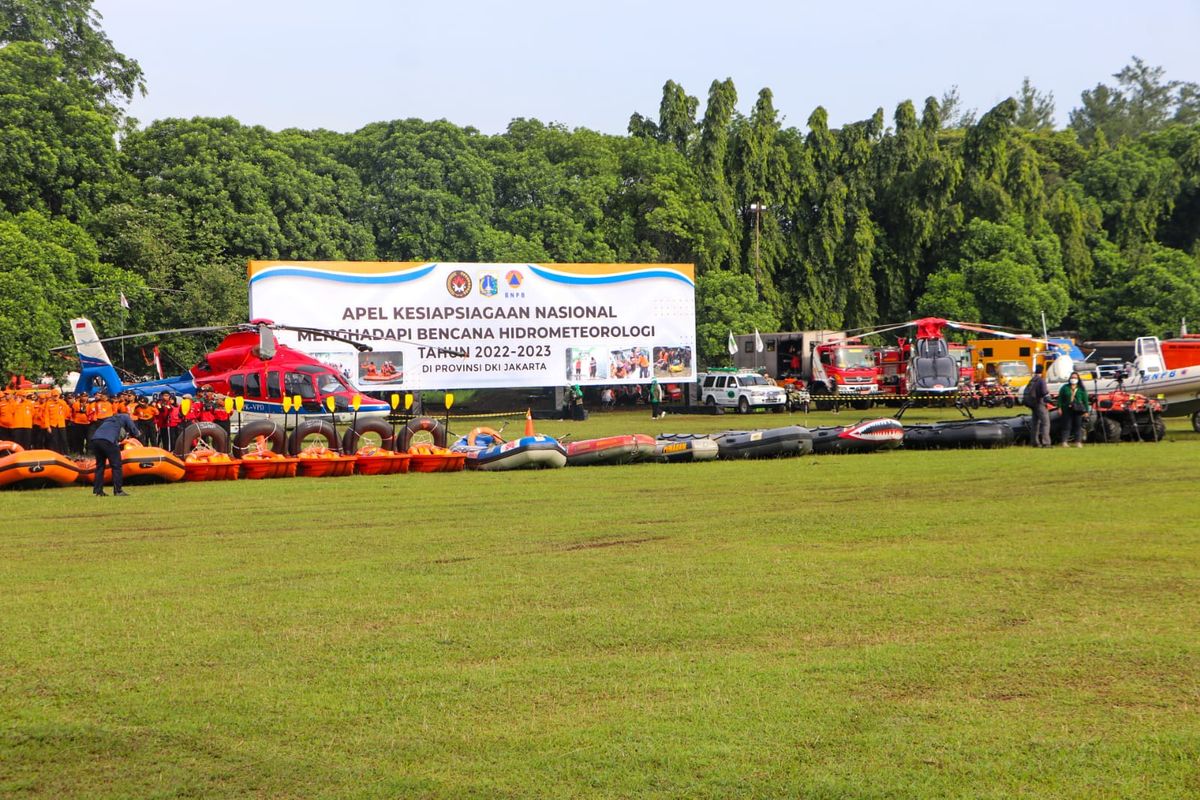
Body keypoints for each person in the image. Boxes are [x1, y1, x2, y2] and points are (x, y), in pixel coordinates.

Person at [89, 408, 138, 496]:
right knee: (116, 466)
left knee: (100, 466)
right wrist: (137, 434)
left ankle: (98, 491)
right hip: (108, 441)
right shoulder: (125, 416)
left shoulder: (109, 419)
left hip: (95, 440)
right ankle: (118, 490)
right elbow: (133, 429)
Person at [1057, 370, 1089, 448]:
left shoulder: (1081, 389)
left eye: (1075, 377)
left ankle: (1078, 442)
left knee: (1078, 426)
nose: (1073, 379)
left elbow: (1085, 400)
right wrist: (1059, 408)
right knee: (1066, 426)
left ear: (1078, 379)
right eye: (1072, 377)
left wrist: (1086, 411)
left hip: (1078, 410)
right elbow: (1060, 398)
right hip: (1067, 409)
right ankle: (1064, 442)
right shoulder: (1065, 387)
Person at [1027, 363, 1052, 448]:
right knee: (1046, 423)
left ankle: (1034, 442)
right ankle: (1046, 442)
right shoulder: (1041, 380)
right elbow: (1044, 392)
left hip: (1032, 404)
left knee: (1035, 423)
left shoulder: (1032, 380)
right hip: (1039, 403)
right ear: (1042, 371)